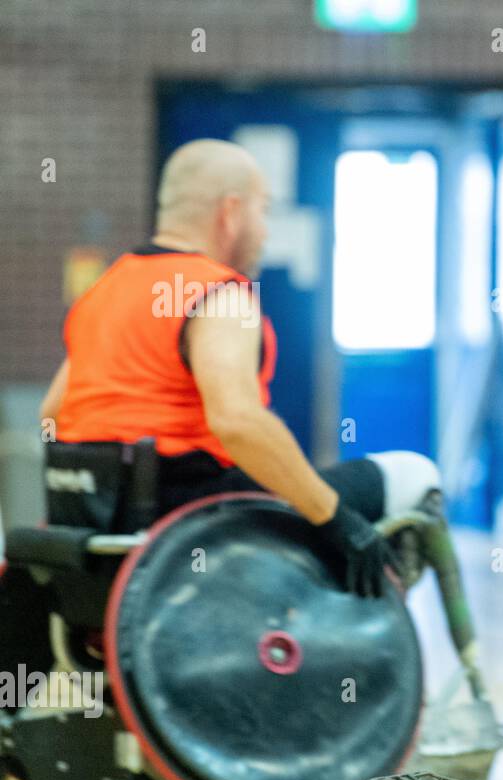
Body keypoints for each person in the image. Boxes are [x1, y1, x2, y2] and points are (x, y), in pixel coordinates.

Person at [37, 139, 443, 597]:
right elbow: (238, 421)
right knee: (414, 473)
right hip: (199, 518)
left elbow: (53, 412)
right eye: (263, 210)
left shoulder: (105, 291)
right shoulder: (218, 293)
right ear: (230, 212)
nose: (266, 231)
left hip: (101, 520)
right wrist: (338, 520)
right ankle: (373, 635)